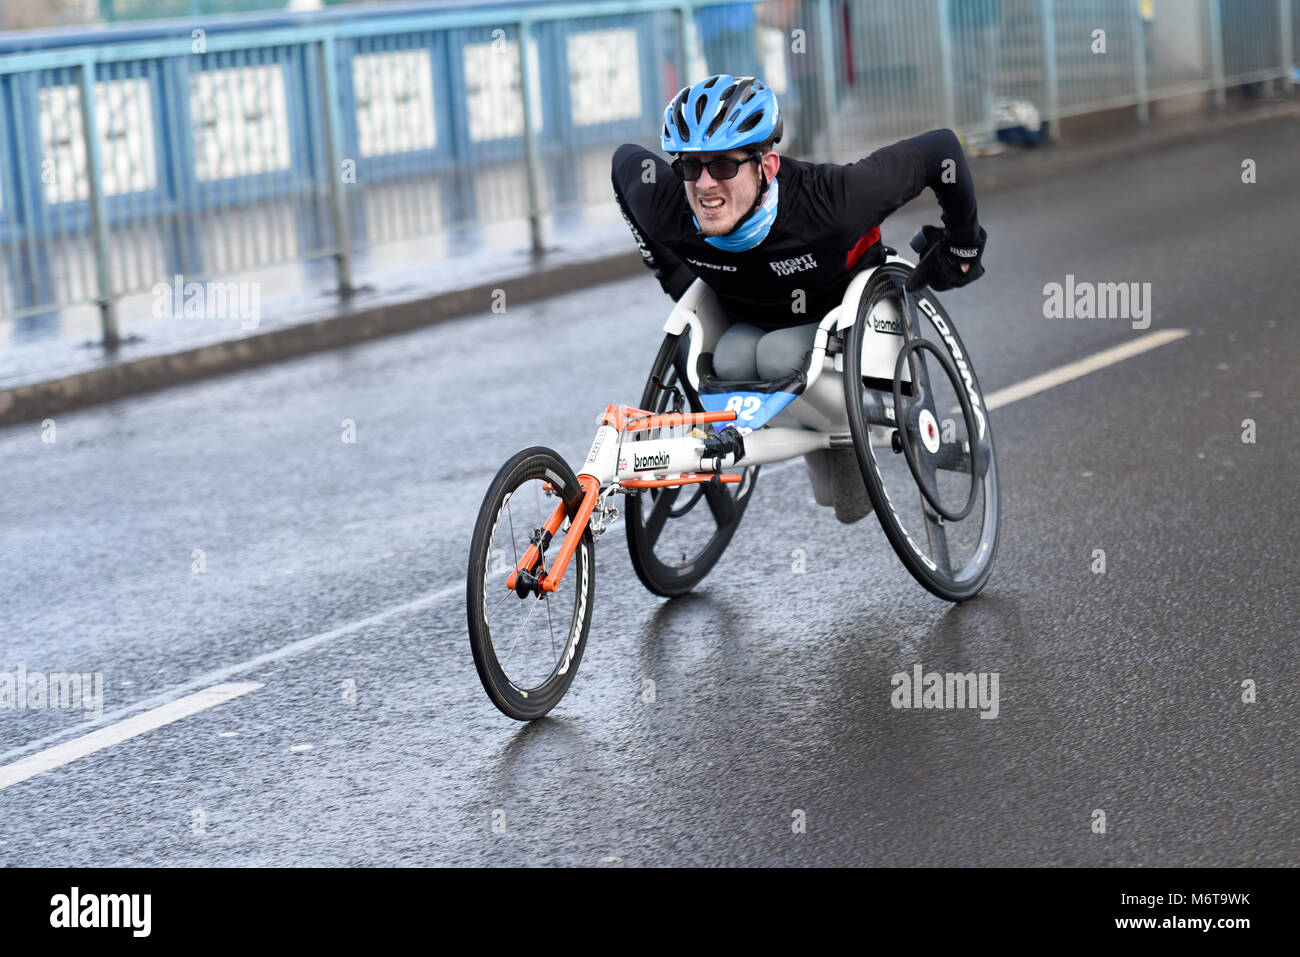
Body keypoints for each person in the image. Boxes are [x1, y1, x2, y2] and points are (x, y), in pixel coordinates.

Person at [610, 74, 987, 521]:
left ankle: (844, 437)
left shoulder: (833, 201)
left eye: (724, 167)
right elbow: (623, 164)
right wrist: (674, 277)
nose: (705, 184)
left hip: (836, 322)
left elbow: (941, 150)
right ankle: (814, 435)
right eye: (691, 167)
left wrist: (963, 246)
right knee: (727, 360)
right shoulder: (669, 206)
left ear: (767, 167)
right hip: (744, 318)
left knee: (774, 355)